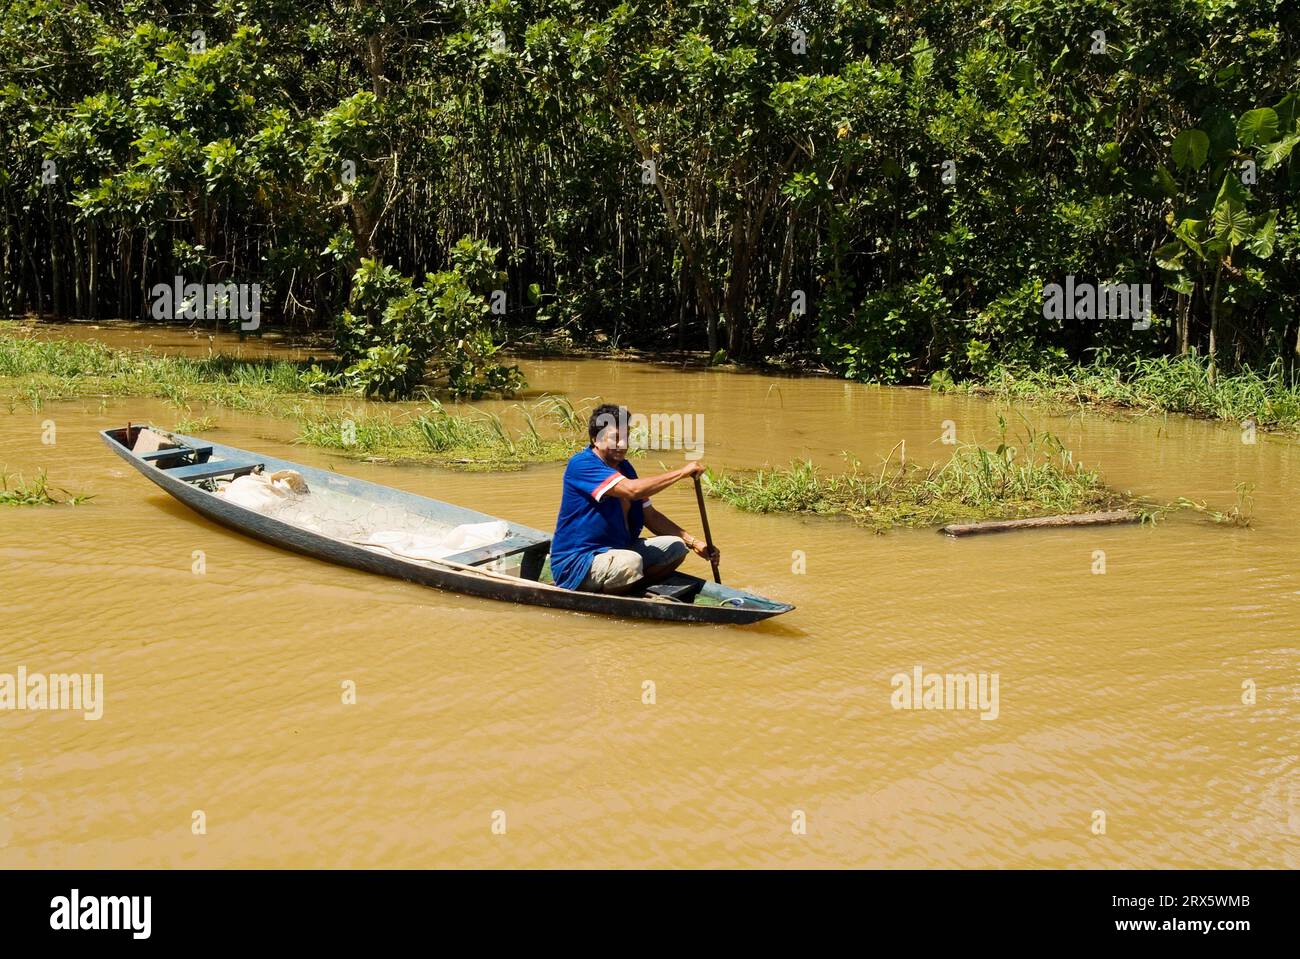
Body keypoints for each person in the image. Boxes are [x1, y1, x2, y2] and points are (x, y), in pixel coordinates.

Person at [549, 403, 721, 594]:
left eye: (625, 438)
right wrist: (682, 472)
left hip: (619, 549)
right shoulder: (582, 464)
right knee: (630, 562)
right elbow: (632, 491)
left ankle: (631, 589)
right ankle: (620, 596)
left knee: (676, 547)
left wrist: (695, 543)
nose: (622, 445)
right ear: (595, 440)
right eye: (615, 438)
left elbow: (651, 517)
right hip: (580, 561)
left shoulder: (626, 468)